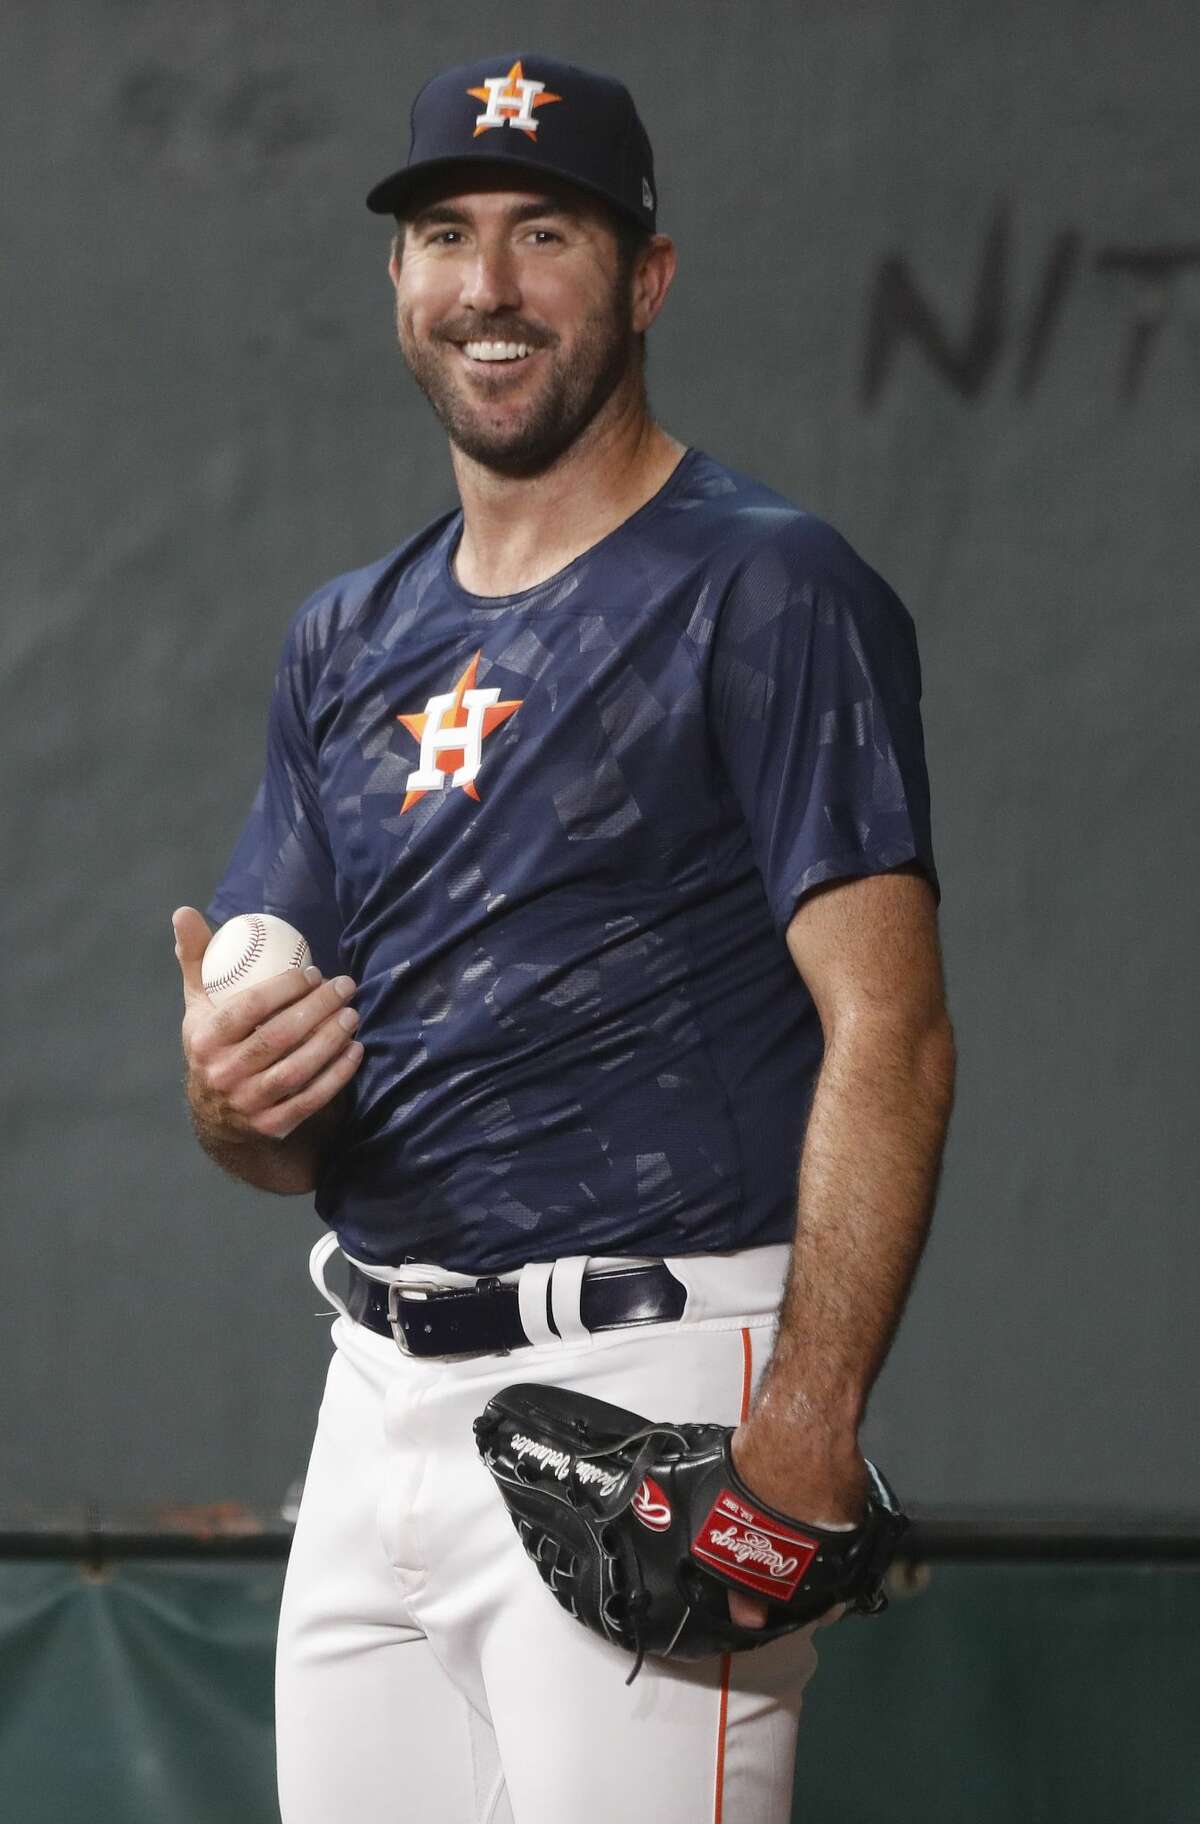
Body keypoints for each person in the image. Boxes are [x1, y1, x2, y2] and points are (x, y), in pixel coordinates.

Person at [173, 50, 955, 1824]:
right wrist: (232, 1104)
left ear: (648, 280)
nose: (490, 284)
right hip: (372, 1389)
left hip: (656, 1383)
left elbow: (892, 1032)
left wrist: (812, 1418)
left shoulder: (765, 588)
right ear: (399, 283)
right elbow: (276, 1130)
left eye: (548, 232)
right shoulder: (344, 638)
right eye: (445, 233)